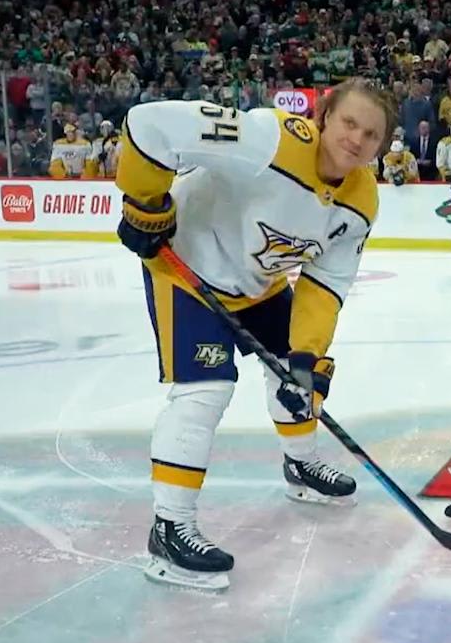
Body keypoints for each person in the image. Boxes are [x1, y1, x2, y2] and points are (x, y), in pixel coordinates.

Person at [114, 78, 396, 590]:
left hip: (258, 284)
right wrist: (145, 200)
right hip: (187, 270)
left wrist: (307, 357)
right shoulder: (269, 138)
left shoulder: (360, 202)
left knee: (299, 374)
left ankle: (301, 465)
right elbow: (148, 124)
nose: (356, 139)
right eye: (349, 122)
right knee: (206, 390)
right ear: (325, 116)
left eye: (371, 134)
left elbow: (326, 284)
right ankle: (169, 528)